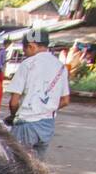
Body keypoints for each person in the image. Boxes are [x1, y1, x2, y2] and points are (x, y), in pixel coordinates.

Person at [4, 28, 69, 160]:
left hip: (26, 124)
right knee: (36, 169)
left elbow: (14, 102)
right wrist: (44, 109)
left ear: (32, 46)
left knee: (15, 165)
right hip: (47, 125)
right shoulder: (61, 67)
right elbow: (65, 101)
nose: (25, 53)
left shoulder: (28, 64)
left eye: (25, 50)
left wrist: (13, 116)